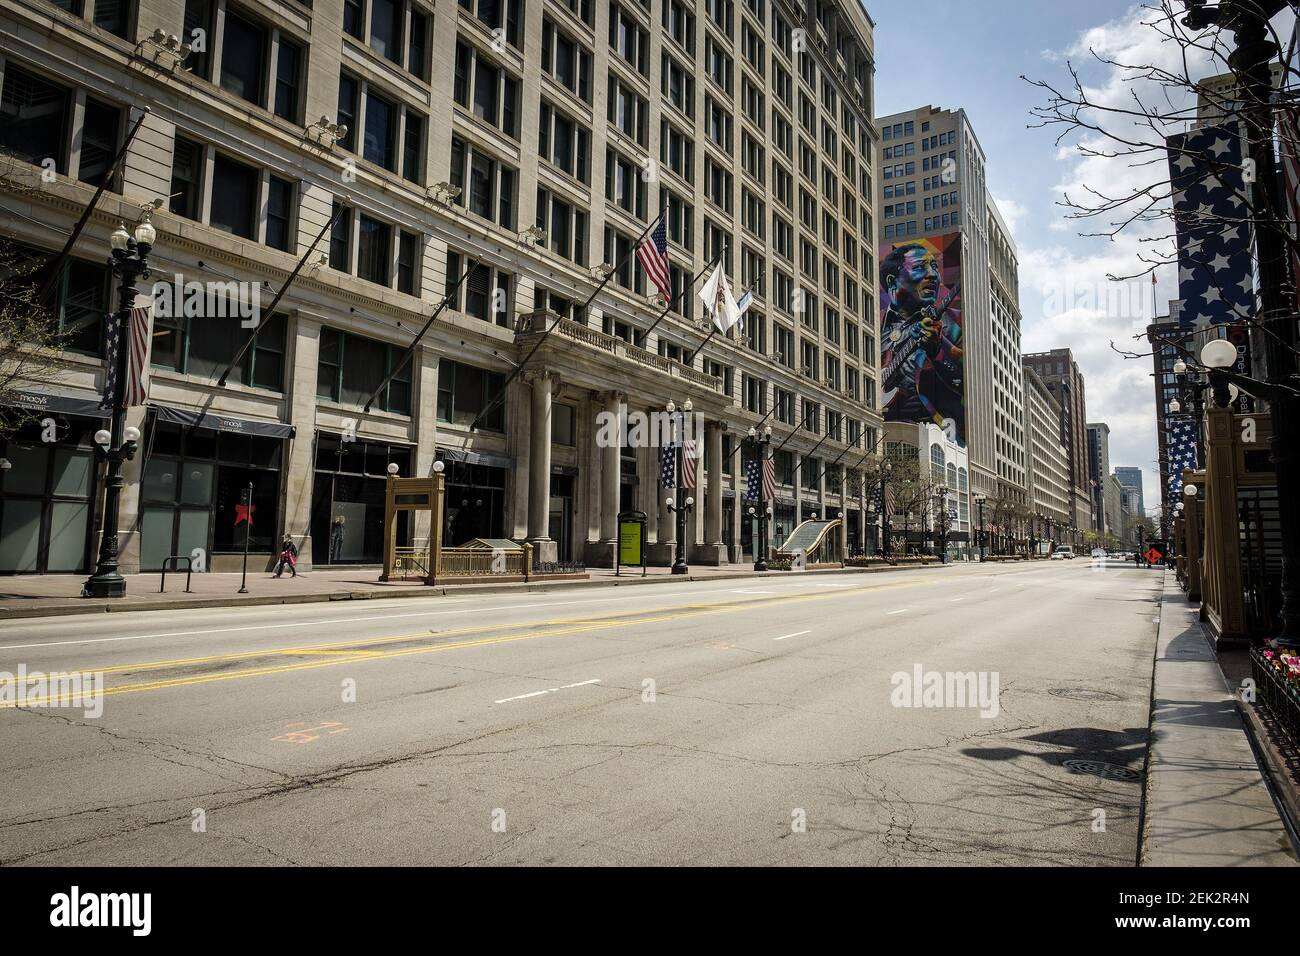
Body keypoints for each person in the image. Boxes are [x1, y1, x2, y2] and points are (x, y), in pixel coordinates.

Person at [880, 240, 964, 441]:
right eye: (920, 268)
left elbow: (968, 382)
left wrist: (938, 349)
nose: (933, 275)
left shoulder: (956, 322)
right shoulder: (869, 325)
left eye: (934, 267)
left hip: (940, 439)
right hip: (878, 434)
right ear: (893, 283)